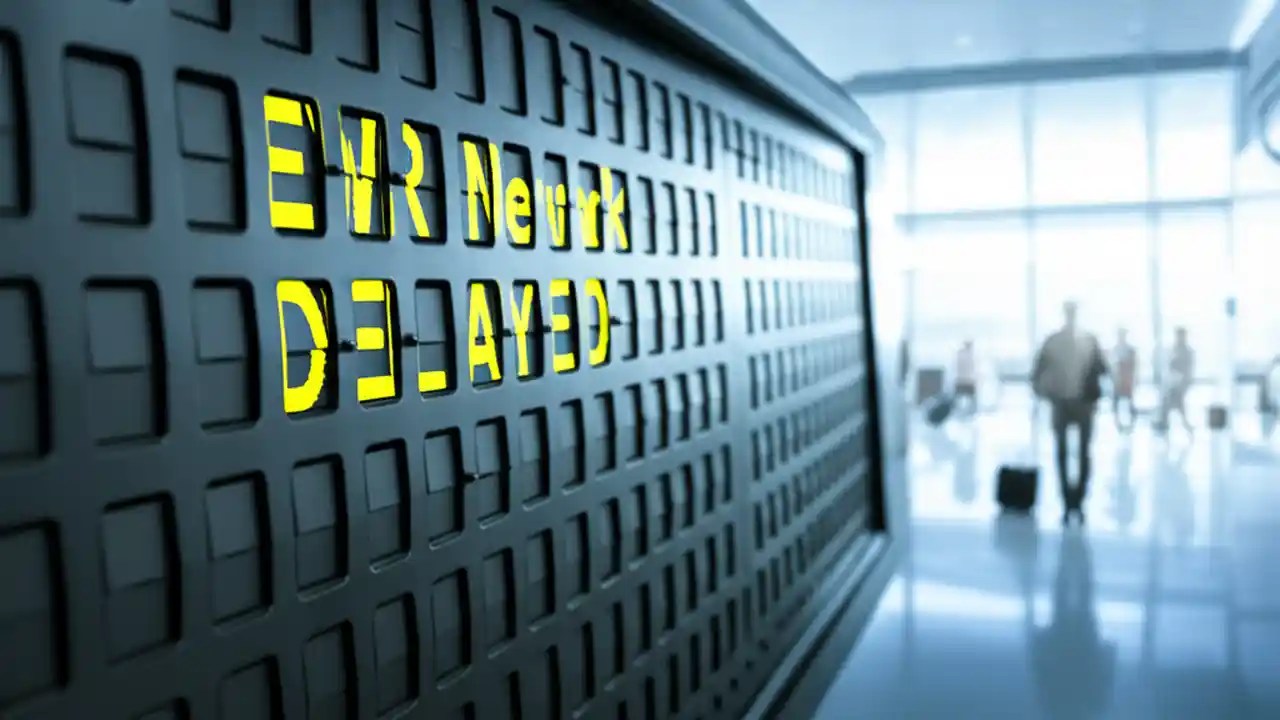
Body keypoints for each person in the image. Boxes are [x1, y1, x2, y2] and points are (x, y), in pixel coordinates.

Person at [1033, 301, 1109, 525]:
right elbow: (1104, 369)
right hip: (1079, 404)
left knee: (1065, 453)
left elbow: (1037, 373)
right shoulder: (1088, 340)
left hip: (1064, 403)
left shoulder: (1054, 341)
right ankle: (1076, 500)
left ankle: (1070, 500)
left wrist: (1046, 391)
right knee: (1081, 452)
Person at [1161, 327, 1195, 436]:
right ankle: (1169, 424)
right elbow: (1169, 366)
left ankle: (1179, 425)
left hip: (1182, 383)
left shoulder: (1187, 351)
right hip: (1173, 382)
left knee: (1177, 403)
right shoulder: (1173, 349)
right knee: (1174, 404)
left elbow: (1188, 368)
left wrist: (1185, 381)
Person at [1111, 328, 1137, 433]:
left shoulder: (1130, 349)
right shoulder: (1115, 349)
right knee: (1117, 402)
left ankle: (1131, 423)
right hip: (1118, 379)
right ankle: (1118, 423)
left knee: (1129, 402)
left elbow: (1134, 366)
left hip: (1127, 378)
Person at [954, 339, 978, 416]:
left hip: (960, 380)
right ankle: (970, 413)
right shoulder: (970, 355)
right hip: (968, 380)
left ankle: (960, 413)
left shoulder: (959, 354)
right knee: (971, 400)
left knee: (959, 399)